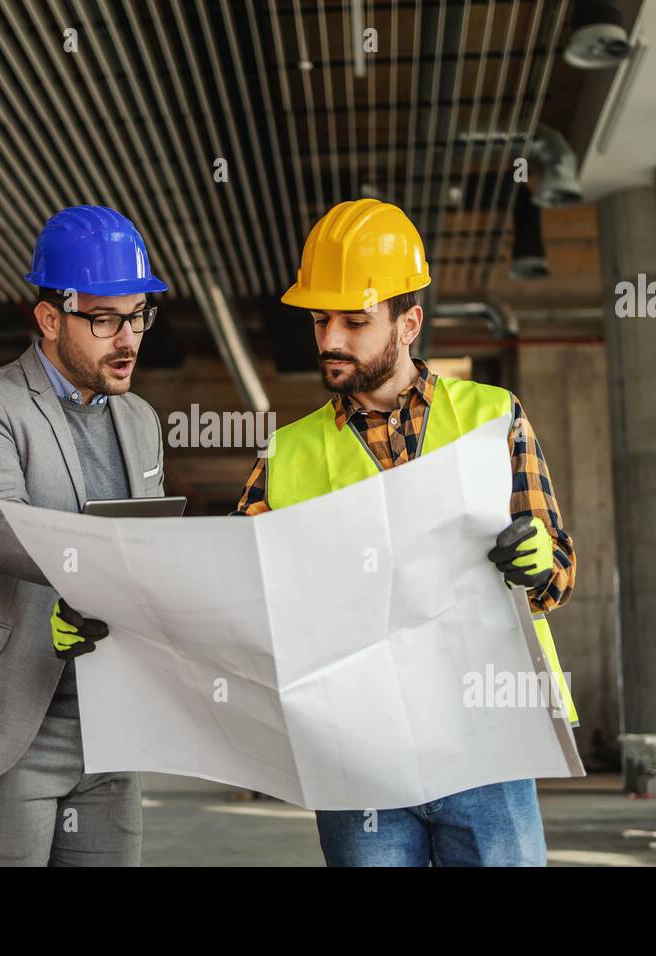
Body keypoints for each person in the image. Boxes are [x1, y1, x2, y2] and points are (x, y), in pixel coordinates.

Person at [231, 198, 578, 867]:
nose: (330, 338)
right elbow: (236, 595)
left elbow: (556, 574)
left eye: (354, 321)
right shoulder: (286, 454)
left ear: (408, 321)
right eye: (319, 319)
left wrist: (537, 563)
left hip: (486, 738)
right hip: (357, 748)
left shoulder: (492, 415)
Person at [0, 205, 166, 865]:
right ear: (50, 319)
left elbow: (149, 543)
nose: (127, 337)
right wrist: (101, 569)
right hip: (4, 718)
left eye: (137, 315)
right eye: (104, 319)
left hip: (108, 723)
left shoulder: (140, 420)